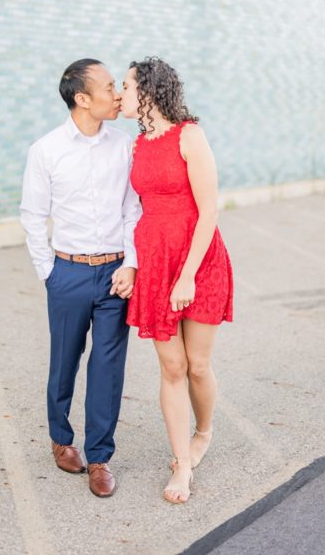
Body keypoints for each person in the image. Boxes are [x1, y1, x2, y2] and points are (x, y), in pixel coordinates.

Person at [19, 58, 142, 498]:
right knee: (64, 362)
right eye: (110, 87)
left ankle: (100, 457)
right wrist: (48, 273)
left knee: (108, 367)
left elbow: (133, 209)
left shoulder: (124, 145)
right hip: (67, 272)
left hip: (115, 273)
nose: (118, 94)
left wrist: (131, 263)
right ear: (82, 98)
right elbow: (33, 215)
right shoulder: (46, 150)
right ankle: (60, 437)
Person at [119, 56, 234, 504]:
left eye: (126, 86)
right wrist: (132, 264)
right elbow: (132, 210)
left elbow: (208, 211)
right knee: (172, 367)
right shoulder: (136, 145)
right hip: (155, 260)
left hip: (198, 262)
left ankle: (203, 431)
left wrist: (186, 276)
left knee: (198, 366)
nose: (120, 94)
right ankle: (181, 464)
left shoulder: (190, 135)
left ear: (148, 91)